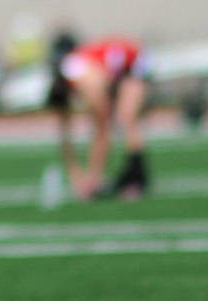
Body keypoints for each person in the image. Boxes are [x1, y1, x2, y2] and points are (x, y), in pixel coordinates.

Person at [46, 31, 151, 201]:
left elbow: (102, 131)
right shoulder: (70, 78)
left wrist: (92, 178)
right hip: (113, 70)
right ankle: (124, 178)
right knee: (119, 117)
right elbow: (65, 133)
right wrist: (75, 175)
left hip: (135, 63)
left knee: (126, 116)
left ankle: (136, 177)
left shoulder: (88, 81)